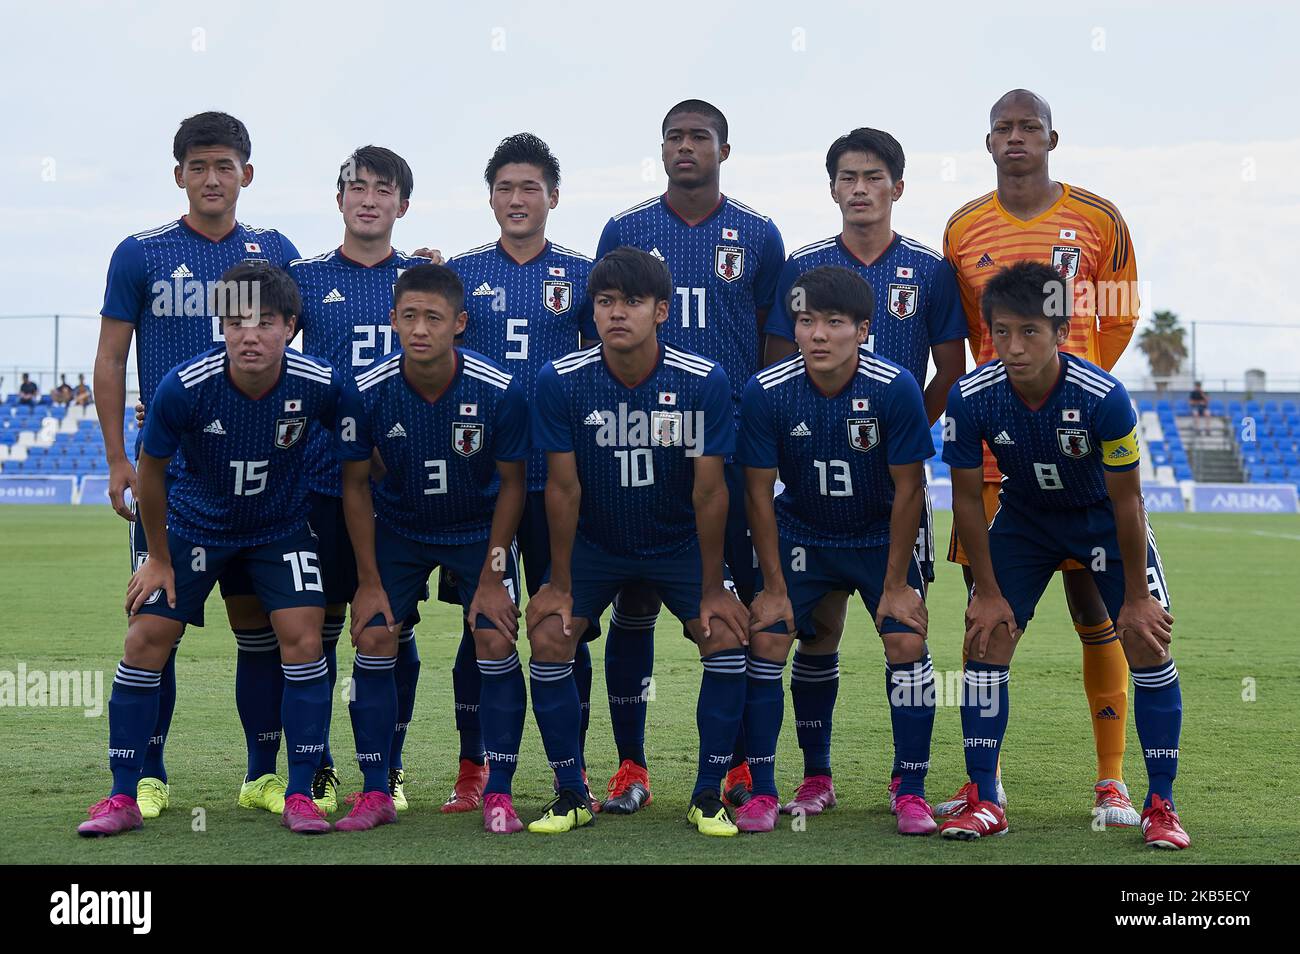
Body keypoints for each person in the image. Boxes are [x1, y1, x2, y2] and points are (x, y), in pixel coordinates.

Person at [77, 263, 343, 837]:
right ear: (221, 325)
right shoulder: (186, 385)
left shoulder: (319, 383)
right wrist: (158, 558)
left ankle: (298, 792)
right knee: (145, 637)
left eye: (265, 322)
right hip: (194, 527)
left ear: (290, 327)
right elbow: (152, 473)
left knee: (303, 636)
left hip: (277, 527)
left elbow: (359, 440)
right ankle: (123, 793)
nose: (251, 335)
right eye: (238, 322)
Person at [941, 89, 1142, 826]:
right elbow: (973, 331)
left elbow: (1119, 316)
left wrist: (1069, 395)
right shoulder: (963, 228)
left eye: (1029, 127)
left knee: (1098, 611)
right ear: (988, 142)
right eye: (1004, 128)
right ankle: (985, 784)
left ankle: (1111, 782)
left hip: (1081, 454)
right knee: (988, 615)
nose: (1016, 137)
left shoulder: (1100, 219)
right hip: (999, 458)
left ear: (1053, 137)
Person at [94, 111, 301, 820]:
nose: (212, 179)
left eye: (225, 166)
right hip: (172, 473)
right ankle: (148, 777)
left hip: (260, 476)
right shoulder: (140, 253)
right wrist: (117, 456)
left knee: (258, 626)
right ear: (179, 175)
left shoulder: (276, 251)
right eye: (198, 167)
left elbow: (312, 338)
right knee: (159, 623)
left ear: (247, 174)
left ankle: (262, 774)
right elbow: (111, 358)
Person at [940, 262, 1187, 849]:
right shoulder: (971, 397)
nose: (1014, 347)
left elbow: (1128, 502)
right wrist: (988, 593)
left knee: (1146, 640)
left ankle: (1160, 804)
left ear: (1060, 330)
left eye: (1029, 331)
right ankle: (985, 797)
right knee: (986, 636)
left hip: (1101, 518)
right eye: (1002, 331)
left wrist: (1136, 598)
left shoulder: (1104, 397)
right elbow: (967, 500)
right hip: (1025, 520)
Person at [761, 128, 967, 815]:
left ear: (897, 187)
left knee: (903, 630)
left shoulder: (930, 270)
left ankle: (908, 785)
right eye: (847, 177)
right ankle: (814, 777)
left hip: (890, 485)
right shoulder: (802, 265)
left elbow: (951, 369)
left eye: (873, 177)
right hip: (812, 480)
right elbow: (775, 364)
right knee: (815, 630)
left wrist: (891, 436)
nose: (859, 189)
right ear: (831, 189)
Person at [592, 100, 785, 812]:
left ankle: (735, 768)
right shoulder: (627, 229)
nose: (684, 147)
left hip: (725, 444)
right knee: (634, 599)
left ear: (723, 151)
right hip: (639, 438)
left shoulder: (759, 234)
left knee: (732, 605)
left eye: (699, 137)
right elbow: (599, 328)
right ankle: (630, 766)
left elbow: (774, 342)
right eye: (673, 136)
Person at [527, 246, 749, 835]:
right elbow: (563, 488)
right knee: (550, 633)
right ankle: (571, 792)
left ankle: (707, 794)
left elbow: (710, 491)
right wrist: (558, 583)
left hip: (676, 543)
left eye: (632, 301)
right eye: (605, 302)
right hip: (597, 544)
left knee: (725, 635)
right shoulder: (561, 381)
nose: (617, 313)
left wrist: (713, 586)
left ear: (661, 310)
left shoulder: (701, 380)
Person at [739, 266, 936, 835]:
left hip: (880, 534)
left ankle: (910, 788)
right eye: (806, 322)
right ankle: (782, 786)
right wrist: (773, 588)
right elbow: (758, 492)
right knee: (771, 637)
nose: (818, 335)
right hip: (805, 532)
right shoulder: (766, 391)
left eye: (834, 322)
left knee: (905, 638)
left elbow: (910, 488)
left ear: (862, 329)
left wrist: (896, 584)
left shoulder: (894, 386)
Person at [335, 264, 529, 833]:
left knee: (495, 636)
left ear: (459, 323)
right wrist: (368, 581)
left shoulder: (499, 388)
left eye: (434, 318)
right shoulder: (364, 391)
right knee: (374, 632)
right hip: (401, 528)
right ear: (393, 320)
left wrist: (492, 577)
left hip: (477, 531)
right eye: (410, 317)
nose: (420, 329)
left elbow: (513, 484)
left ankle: (499, 791)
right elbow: (355, 486)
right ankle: (376, 790)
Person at [445, 133, 598, 812]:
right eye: (504, 187)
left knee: (566, 625)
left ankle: (574, 768)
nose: (516, 198)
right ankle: (473, 767)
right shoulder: (460, 272)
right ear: (490, 198)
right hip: (484, 486)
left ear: (553, 197)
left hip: (563, 484)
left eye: (529, 187)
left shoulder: (586, 275)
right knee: (481, 627)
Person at [287, 145, 431, 814]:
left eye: (383, 188)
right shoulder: (302, 278)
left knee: (391, 626)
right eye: (357, 187)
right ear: (338, 198)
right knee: (315, 627)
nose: (368, 199)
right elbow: (253, 344)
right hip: (319, 480)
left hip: (398, 487)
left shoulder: (425, 279)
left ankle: (388, 767)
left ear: (403, 203)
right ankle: (316, 766)